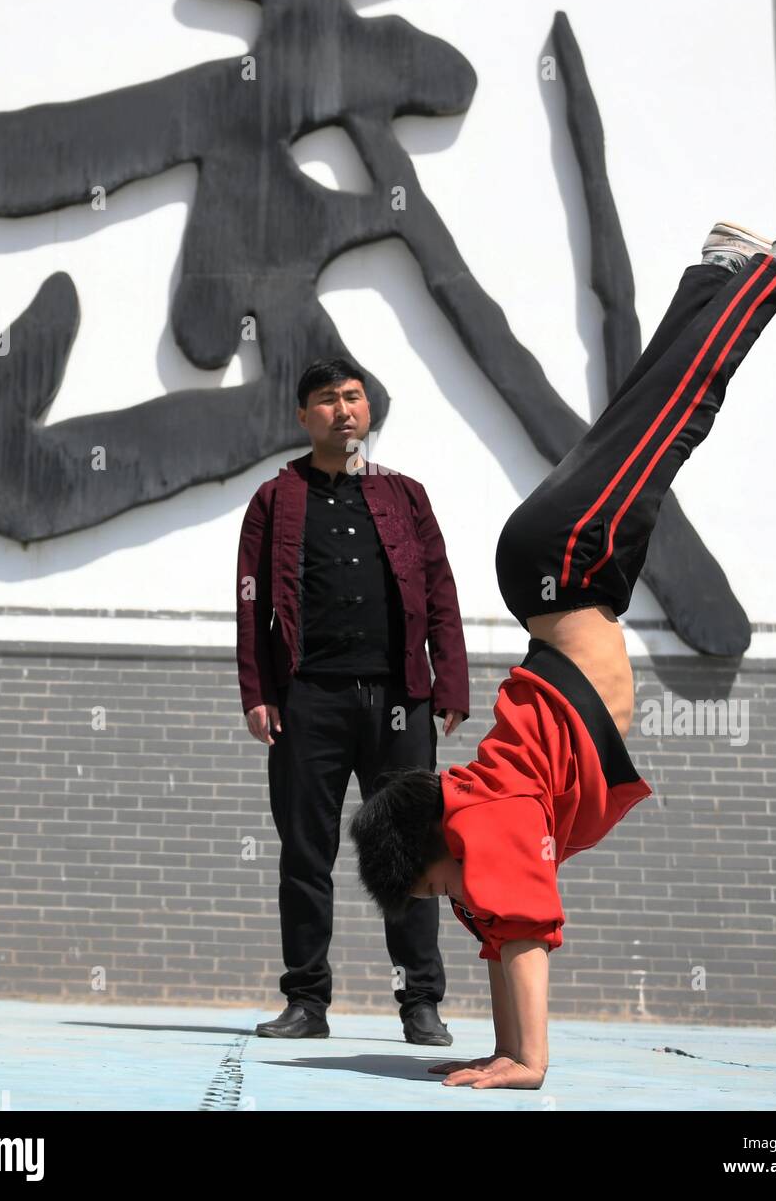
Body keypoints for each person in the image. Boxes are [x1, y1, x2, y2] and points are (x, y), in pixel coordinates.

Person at [349, 219, 776, 1089]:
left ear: (436, 845)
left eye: (430, 890)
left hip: (563, 564)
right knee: (645, 414)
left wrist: (525, 1063)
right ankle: (719, 271)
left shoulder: (484, 820)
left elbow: (518, 927)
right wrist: (503, 1046)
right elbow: (502, 935)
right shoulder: (486, 820)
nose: (448, 905)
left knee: (677, 414)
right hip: (561, 575)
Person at [236, 357, 470, 1045]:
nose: (343, 410)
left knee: (410, 852)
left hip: (400, 698)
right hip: (308, 700)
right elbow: (250, 604)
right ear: (303, 417)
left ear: (366, 409)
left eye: (353, 396)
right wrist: (259, 692)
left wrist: (448, 680)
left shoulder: (406, 495)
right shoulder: (275, 499)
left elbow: (440, 590)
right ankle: (306, 1003)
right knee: (305, 853)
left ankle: (420, 1002)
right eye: (327, 401)